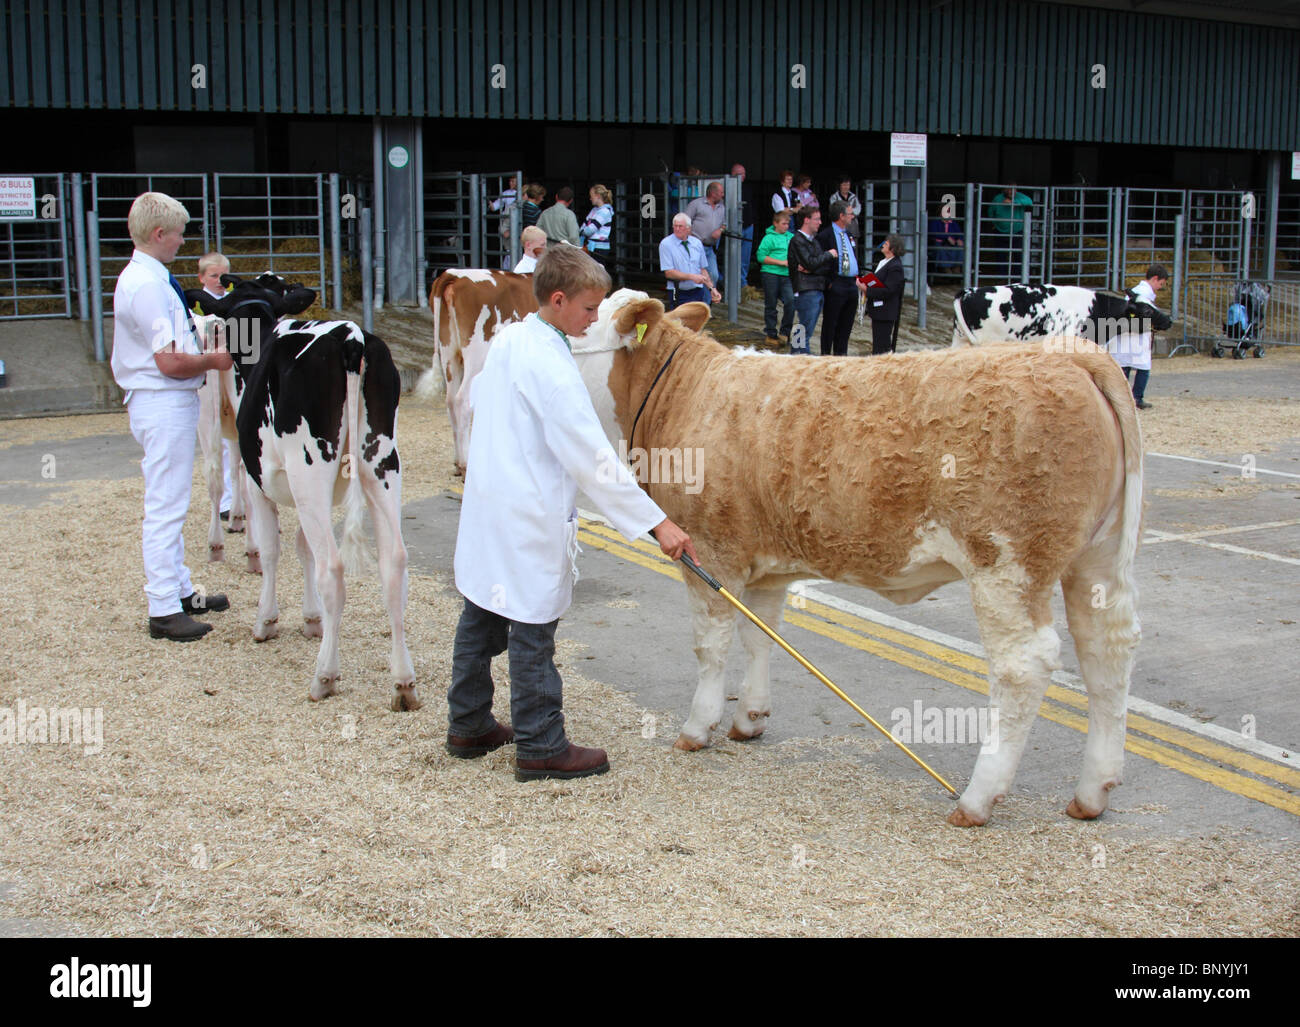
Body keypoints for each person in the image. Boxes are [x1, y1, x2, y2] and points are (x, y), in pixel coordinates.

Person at [447, 245, 697, 781]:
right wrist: (659, 522)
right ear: (558, 300)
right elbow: (591, 456)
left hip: (492, 503)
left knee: (483, 608)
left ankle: (468, 723)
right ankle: (540, 744)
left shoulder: (511, 336)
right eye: (589, 309)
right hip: (527, 511)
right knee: (533, 623)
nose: (594, 319)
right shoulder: (550, 364)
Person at [111, 192, 232, 642]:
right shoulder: (146, 285)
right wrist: (215, 361)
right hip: (162, 398)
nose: (184, 241)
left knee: (173, 499)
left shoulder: (147, 278)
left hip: (161, 399)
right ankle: (163, 607)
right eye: (179, 233)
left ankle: (180, 590)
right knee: (166, 503)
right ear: (159, 234)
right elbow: (169, 362)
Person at [195, 251, 237, 521]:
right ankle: (223, 500)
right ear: (201, 277)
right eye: (213, 276)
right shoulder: (192, 307)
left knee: (237, 437)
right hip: (207, 378)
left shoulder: (238, 303)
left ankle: (242, 498)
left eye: (224, 276)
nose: (219, 281)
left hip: (234, 377)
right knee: (214, 438)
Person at [1111, 263, 1170, 410]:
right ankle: (1137, 397)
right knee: (1142, 366)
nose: (1160, 287)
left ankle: (1120, 398)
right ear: (1156, 278)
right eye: (1161, 283)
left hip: (1127, 332)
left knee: (1124, 365)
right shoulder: (1143, 295)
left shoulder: (1136, 292)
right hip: (1136, 334)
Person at [787, 208, 837, 353]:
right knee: (803, 327)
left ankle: (798, 355)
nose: (820, 223)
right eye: (817, 219)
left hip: (816, 287)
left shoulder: (814, 241)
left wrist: (813, 267)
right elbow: (812, 263)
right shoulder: (797, 240)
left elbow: (819, 266)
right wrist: (828, 255)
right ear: (806, 220)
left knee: (805, 328)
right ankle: (798, 356)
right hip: (805, 289)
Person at [815, 201, 861, 357]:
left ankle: (841, 355)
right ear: (841, 216)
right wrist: (829, 283)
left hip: (851, 283)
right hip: (836, 283)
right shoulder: (825, 235)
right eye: (849, 213)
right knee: (831, 323)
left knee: (846, 324)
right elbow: (821, 261)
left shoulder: (849, 234)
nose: (852, 216)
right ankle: (826, 356)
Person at [658, 213, 721, 309]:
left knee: (696, 321)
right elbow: (669, 273)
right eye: (675, 226)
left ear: (688, 228)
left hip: (697, 291)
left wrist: (712, 289)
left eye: (680, 226)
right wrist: (692, 277)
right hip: (677, 291)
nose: (677, 229)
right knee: (678, 322)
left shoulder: (697, 243)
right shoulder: (666, 244)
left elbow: (702, 269)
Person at [860, 234, 907, 355]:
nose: (883, 245)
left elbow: (889, 291)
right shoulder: (884, 262)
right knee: (878, 343)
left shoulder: (895, 266)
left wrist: (866, 290)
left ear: (893, 248)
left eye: (886, 244)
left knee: (882, 346)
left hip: (885, 311)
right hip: (878, 310)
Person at [756, 210, 795, 344]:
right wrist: (781, 262)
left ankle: (785, 332)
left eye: (788, 224)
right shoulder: (768, 238)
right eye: (784, 224)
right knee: (771, 303)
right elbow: (760, 257)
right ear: (776, 224)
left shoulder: (791, 237)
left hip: (787, 275)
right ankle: (771, 333)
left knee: (791, 301)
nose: (786, 226)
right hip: (770, 273)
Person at [685, 181, 726, 299]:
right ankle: (703, 305)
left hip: (709, 247)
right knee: (698, 276)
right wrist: (691, 238)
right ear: (713, 193)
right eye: (721, 192)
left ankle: (707, 306)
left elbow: (724, 224)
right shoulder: (696, 204)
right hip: (696, 246)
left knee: (714, 275)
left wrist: (720, 230)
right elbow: (685, 221)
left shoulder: (721, 206)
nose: (723, 195)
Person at [986, 185, 1033, 281]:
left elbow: (1029, 202)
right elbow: (991, 211)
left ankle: (1017, 279)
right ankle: (1001, 278)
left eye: (1014, 189)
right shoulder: (998, 198)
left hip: (1017, 231)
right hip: (1000, 231)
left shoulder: (1020, 196)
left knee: (1018, 255)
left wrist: (1013, 203)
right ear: (1004, 190)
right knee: (1001, 256)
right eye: (1009, 189)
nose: (1011, 191)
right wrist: (993, 223)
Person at [579, 183, 615, 272]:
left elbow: (589, 230)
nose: (590, 198)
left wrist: (582, 231)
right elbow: (585, 227)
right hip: (591, 246)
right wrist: (584, 229)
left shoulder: (604, 212)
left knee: (597, 273)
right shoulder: (594, 210)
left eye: (591, 196)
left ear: (598, 196)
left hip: (599, 248)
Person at [731, 163, 755, 288]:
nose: (743, 177)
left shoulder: (748, 188)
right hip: (733, 227)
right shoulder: (728, 188)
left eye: (744, 174)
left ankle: (742, 283)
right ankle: (729, 282)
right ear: (733, 175)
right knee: (731, 255)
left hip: (748, 225)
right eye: (740, 174)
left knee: (745, 257)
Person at [490, 175, 519, 269]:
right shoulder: (506, 193)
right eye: (510, 181)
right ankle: (508, 271)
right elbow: (495, 206)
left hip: (518, 224)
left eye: (513, 181)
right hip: (508, 224)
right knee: (509, 249)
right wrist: (489, 202)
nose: (510, 183)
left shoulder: (522, 193)